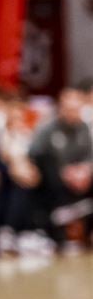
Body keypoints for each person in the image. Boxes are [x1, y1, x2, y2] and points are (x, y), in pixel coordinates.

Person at [28, 88, 93, 243]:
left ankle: (84, 220)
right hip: (54, 182)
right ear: (61, 108)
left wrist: (85, 169)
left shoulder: (84, 128)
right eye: (69, 109)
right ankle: (57, 215)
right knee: (46, 162)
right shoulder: (47, 128)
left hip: (80, 179)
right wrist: (64, 171)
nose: (72, 114)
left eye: (76, 110)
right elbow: (34, 154)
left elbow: (89, 155)